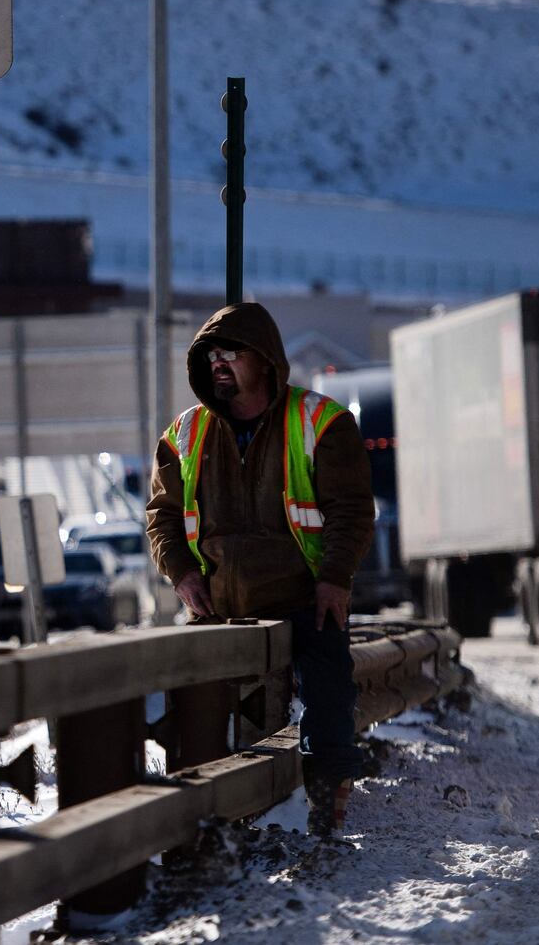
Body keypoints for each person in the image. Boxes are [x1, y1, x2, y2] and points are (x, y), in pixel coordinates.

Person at [145, 302, 375, 837]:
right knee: (194, 709)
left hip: (305, 597)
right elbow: (162, 515)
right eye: (211, 356)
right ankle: (198, 825)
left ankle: (326, 807)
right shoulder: (185, 434)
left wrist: (335, 580)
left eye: (231, 354)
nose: (219, 364)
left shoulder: (321, 423)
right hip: (220, 605)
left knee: (328, 697)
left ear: (266, 361)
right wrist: (180, 573)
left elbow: (351, 512)